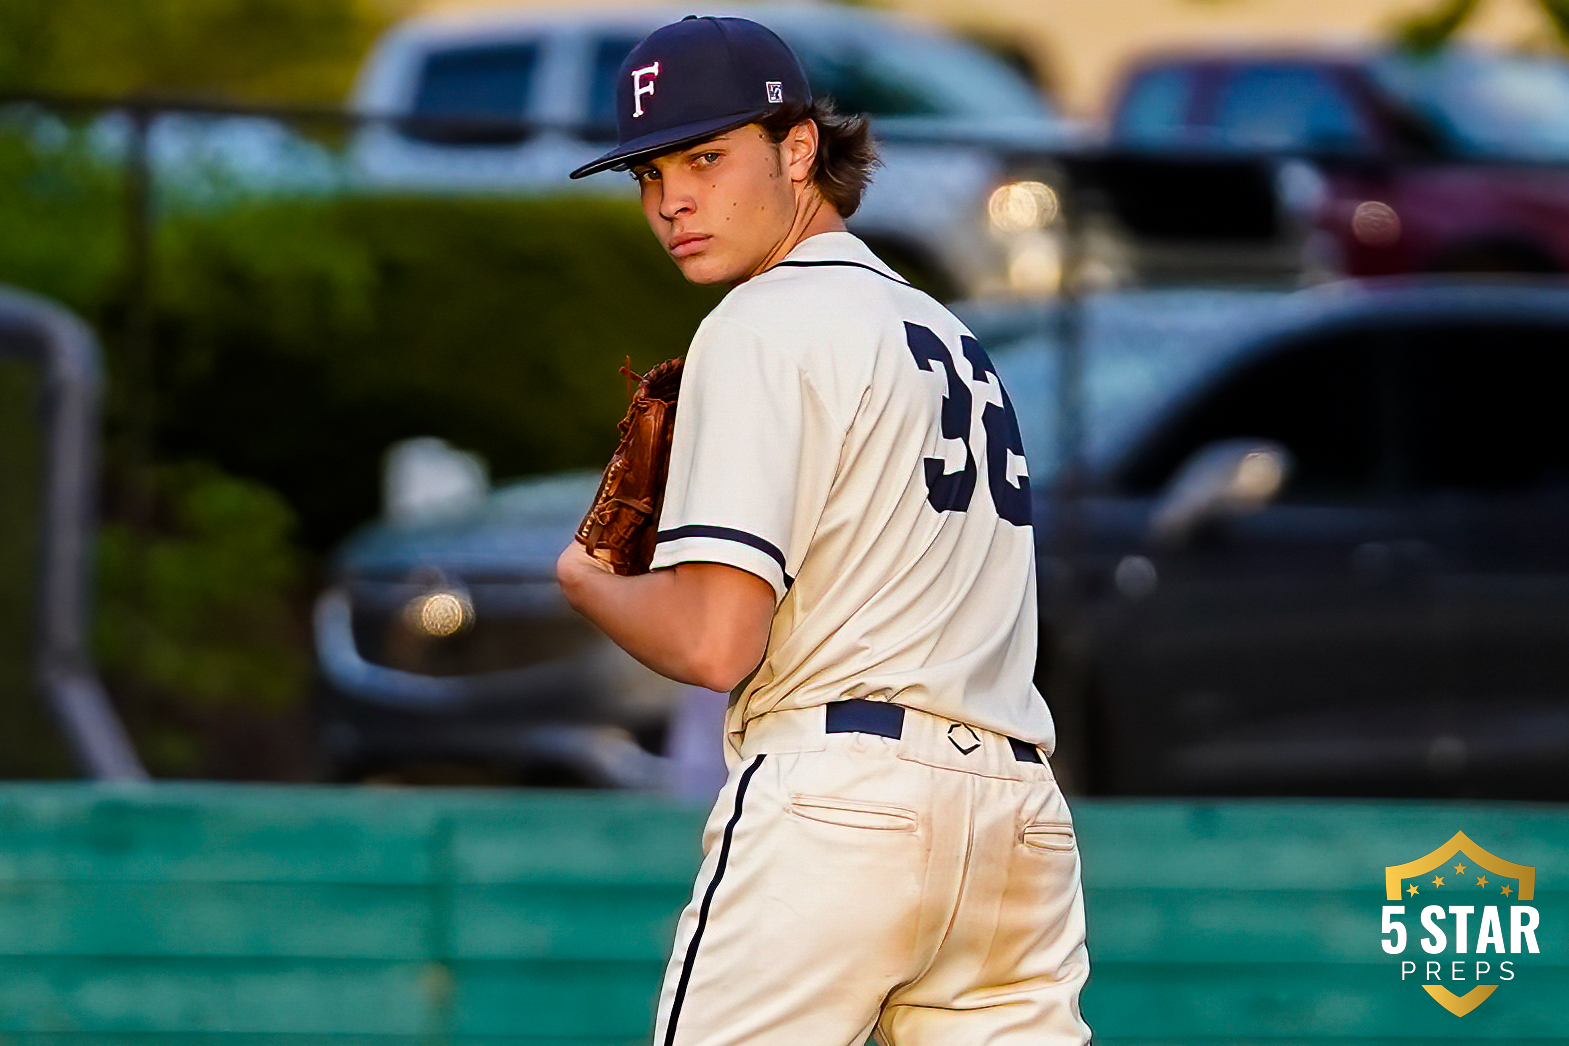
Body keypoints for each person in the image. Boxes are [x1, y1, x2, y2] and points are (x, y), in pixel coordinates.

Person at [557, 15, 1091, 1046]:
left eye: (706, 157)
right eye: (648, 172)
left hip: (842, 806)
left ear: (798, 147)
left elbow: (718, 642)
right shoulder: (951, 333)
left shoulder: (758, 325)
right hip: (1017, 816)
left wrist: (587, 580)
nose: (672, 199)